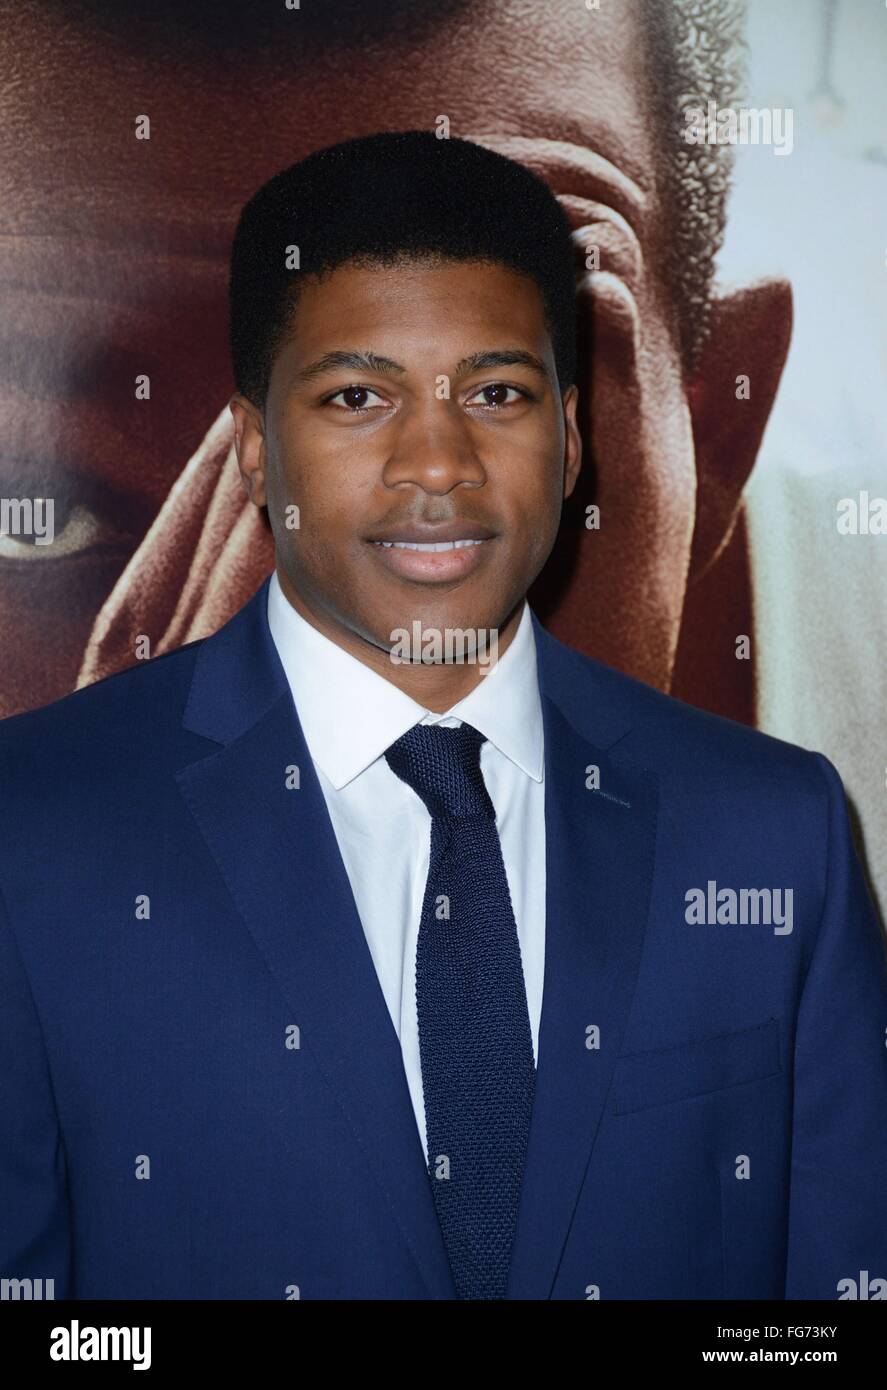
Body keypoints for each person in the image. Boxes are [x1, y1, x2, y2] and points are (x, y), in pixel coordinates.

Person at [1, 131, 884, 1301]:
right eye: (358, 395)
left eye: (496, 392)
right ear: (256, 449)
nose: (437, 462)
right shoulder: (36, 830)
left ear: (571, 441)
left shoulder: (774, 830)